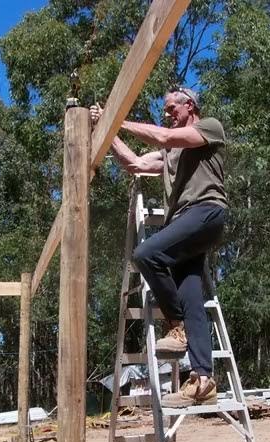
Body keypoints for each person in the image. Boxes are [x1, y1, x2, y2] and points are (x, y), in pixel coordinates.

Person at [90, 87, 228, 407]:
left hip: (205, 213)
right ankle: (203, 380)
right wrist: (106, 133)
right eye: (164, 110)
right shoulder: (170, 155)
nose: (166, 114)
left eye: (171, 108)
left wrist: (115, 121)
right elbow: (135, 164)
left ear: (189, 105)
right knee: (191, 296)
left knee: (146, 253)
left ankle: (176, 327)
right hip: (186, 228)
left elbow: (165, 137)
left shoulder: (209, 127)